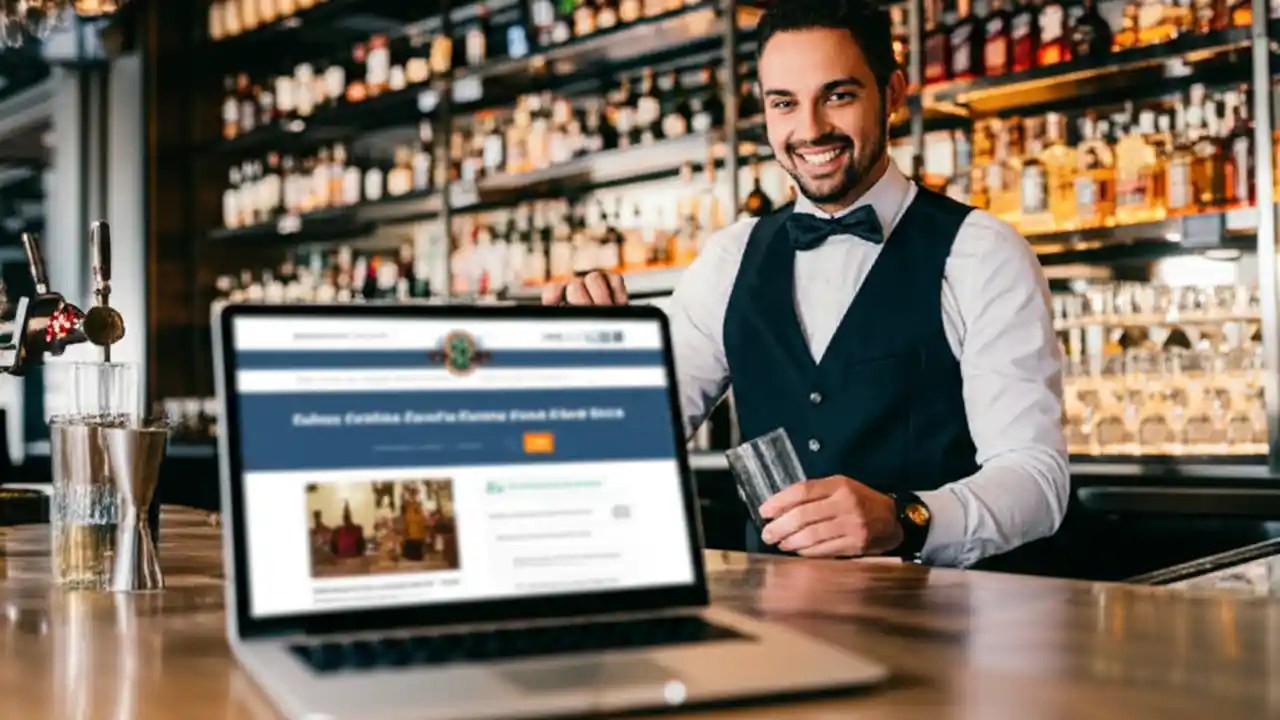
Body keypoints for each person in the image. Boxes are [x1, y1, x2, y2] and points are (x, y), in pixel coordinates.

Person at [542, 0, 1069, 567]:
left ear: (891, 93)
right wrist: (581, 359)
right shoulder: (729, 259)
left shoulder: (981, 252)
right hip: (778, 636)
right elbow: (624, 439)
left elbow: (1037, 481)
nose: (810, 129)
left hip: (943, 633)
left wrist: (906, 518)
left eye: (838, 96)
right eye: (785, 103)